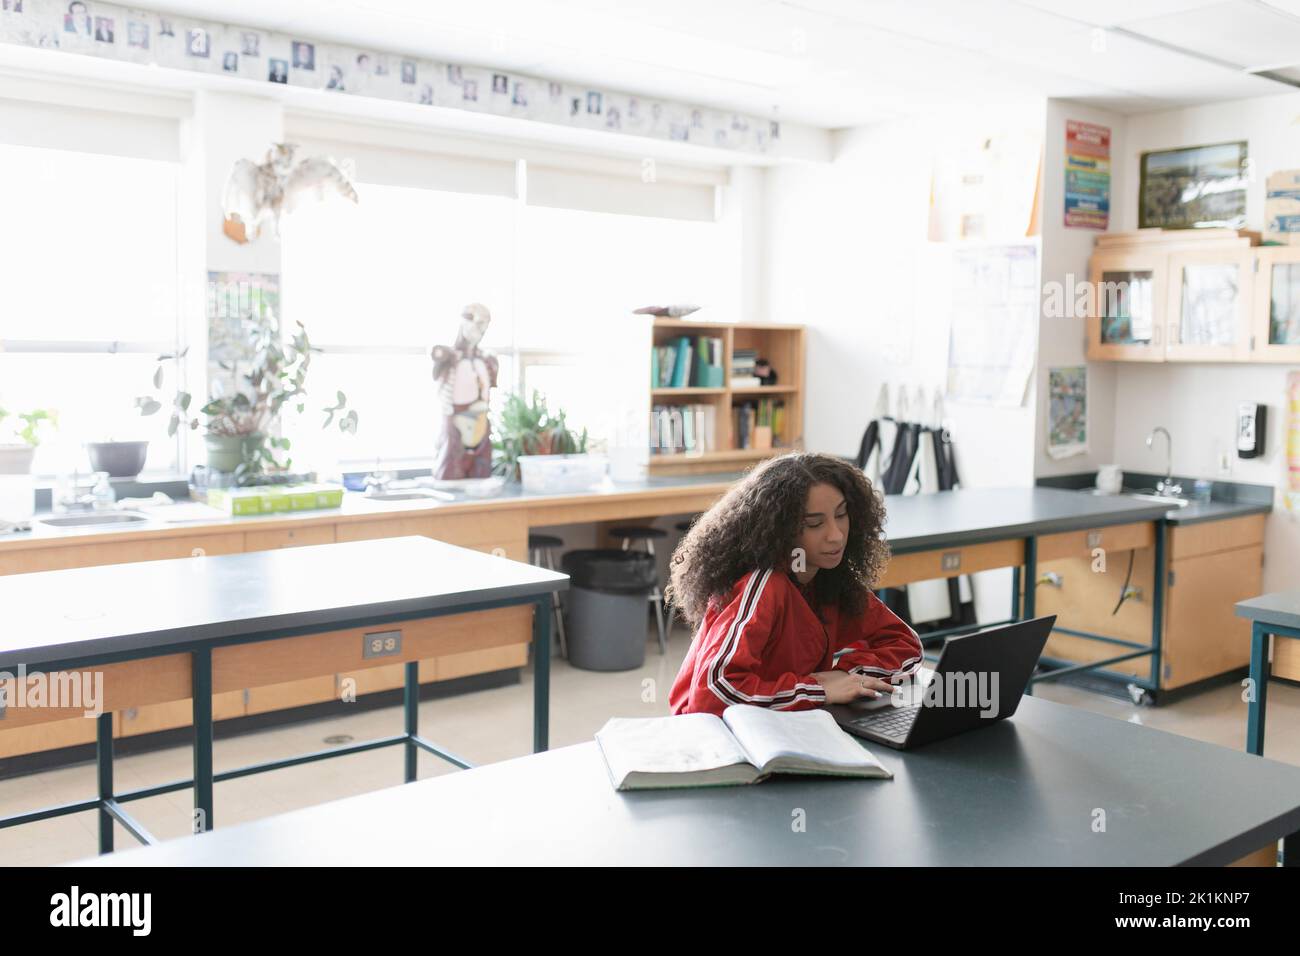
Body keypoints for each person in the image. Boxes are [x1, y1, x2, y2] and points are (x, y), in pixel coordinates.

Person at [667, 453, 923, 716]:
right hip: (720, 737)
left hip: (787, 723)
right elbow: (713, 694)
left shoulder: (827, 578)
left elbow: (906, 645)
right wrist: (818, 689)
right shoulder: (763, 584)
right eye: (814, 523)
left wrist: (845, 676)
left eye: (842, 514)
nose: (835, 536)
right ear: (780, 529)